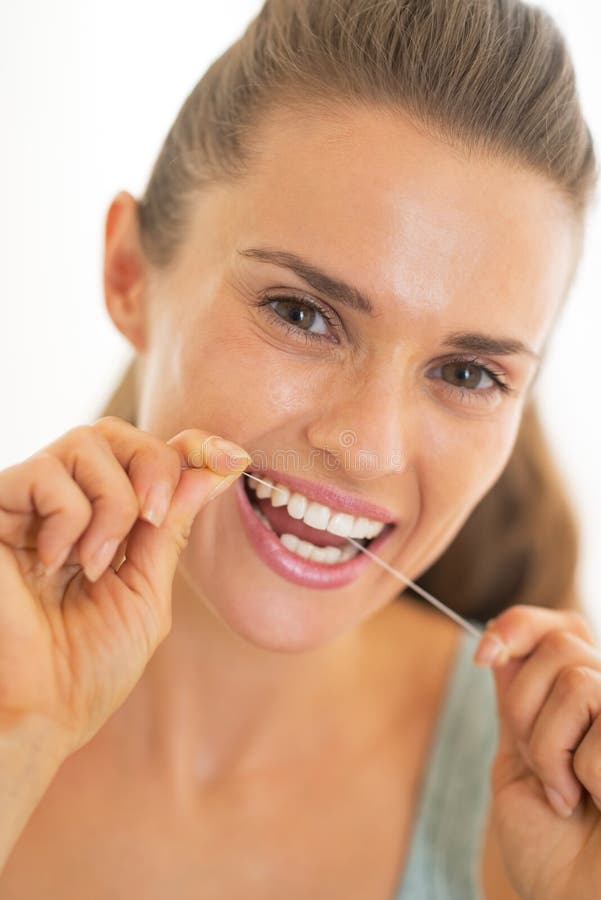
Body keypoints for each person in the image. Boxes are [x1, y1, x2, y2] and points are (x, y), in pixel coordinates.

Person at [0, 0, 599, 897]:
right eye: (300, 314)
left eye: (467, 373)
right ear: (130, 273)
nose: (366, 447)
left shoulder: (555, 821)